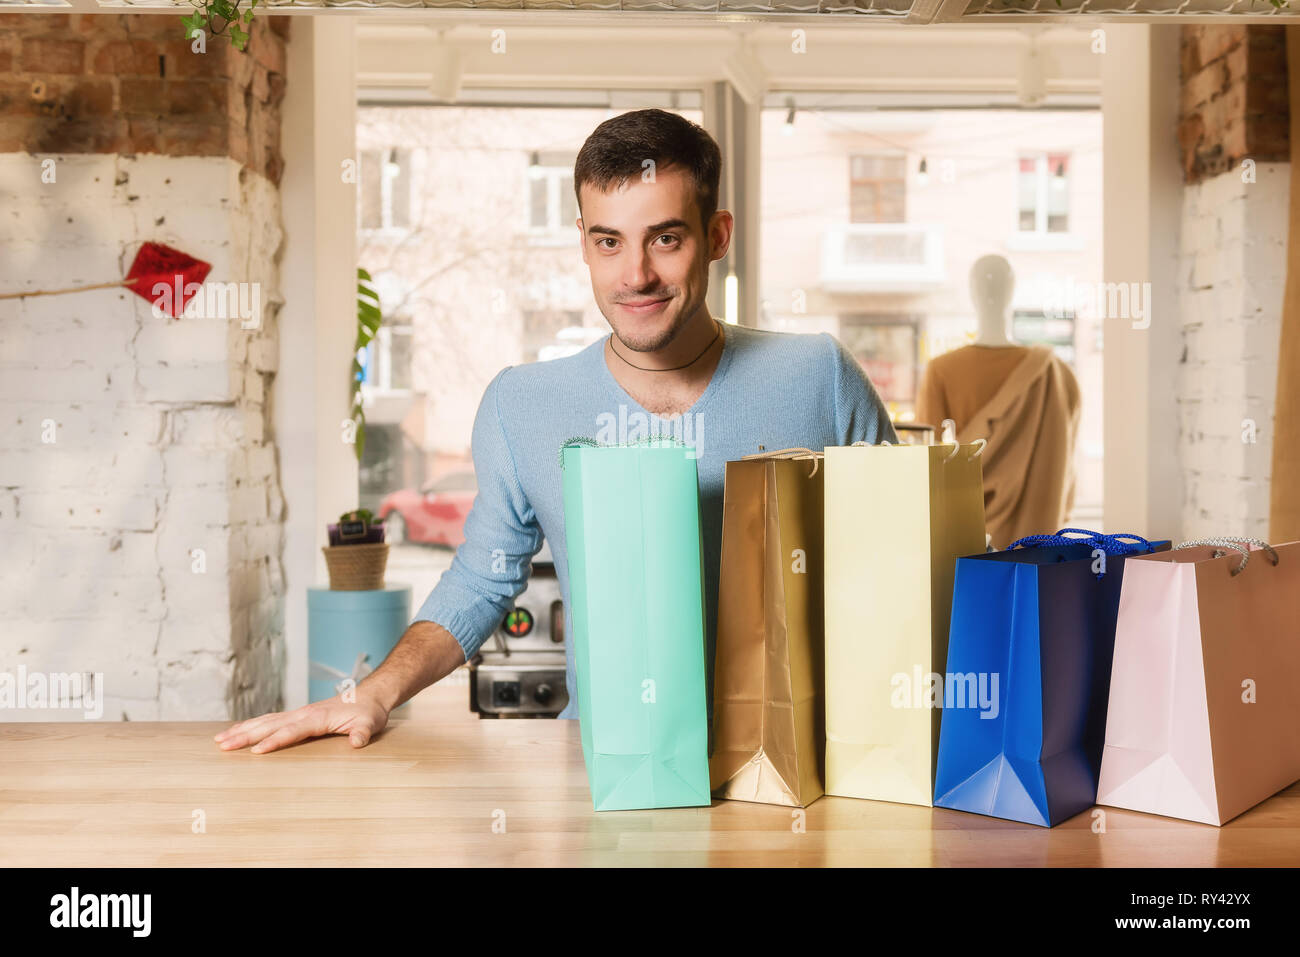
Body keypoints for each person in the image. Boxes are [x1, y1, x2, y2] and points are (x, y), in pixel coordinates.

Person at [215, 108, 897, 754]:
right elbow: (482, 581)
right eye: (609, 241)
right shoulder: (524, 405)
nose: (635, 275)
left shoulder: (817, 378)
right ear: (583, 243)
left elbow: (896, 569)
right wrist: (372, 693)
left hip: (797, 764)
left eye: (666, 238)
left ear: (717, 236)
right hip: (612, 767)